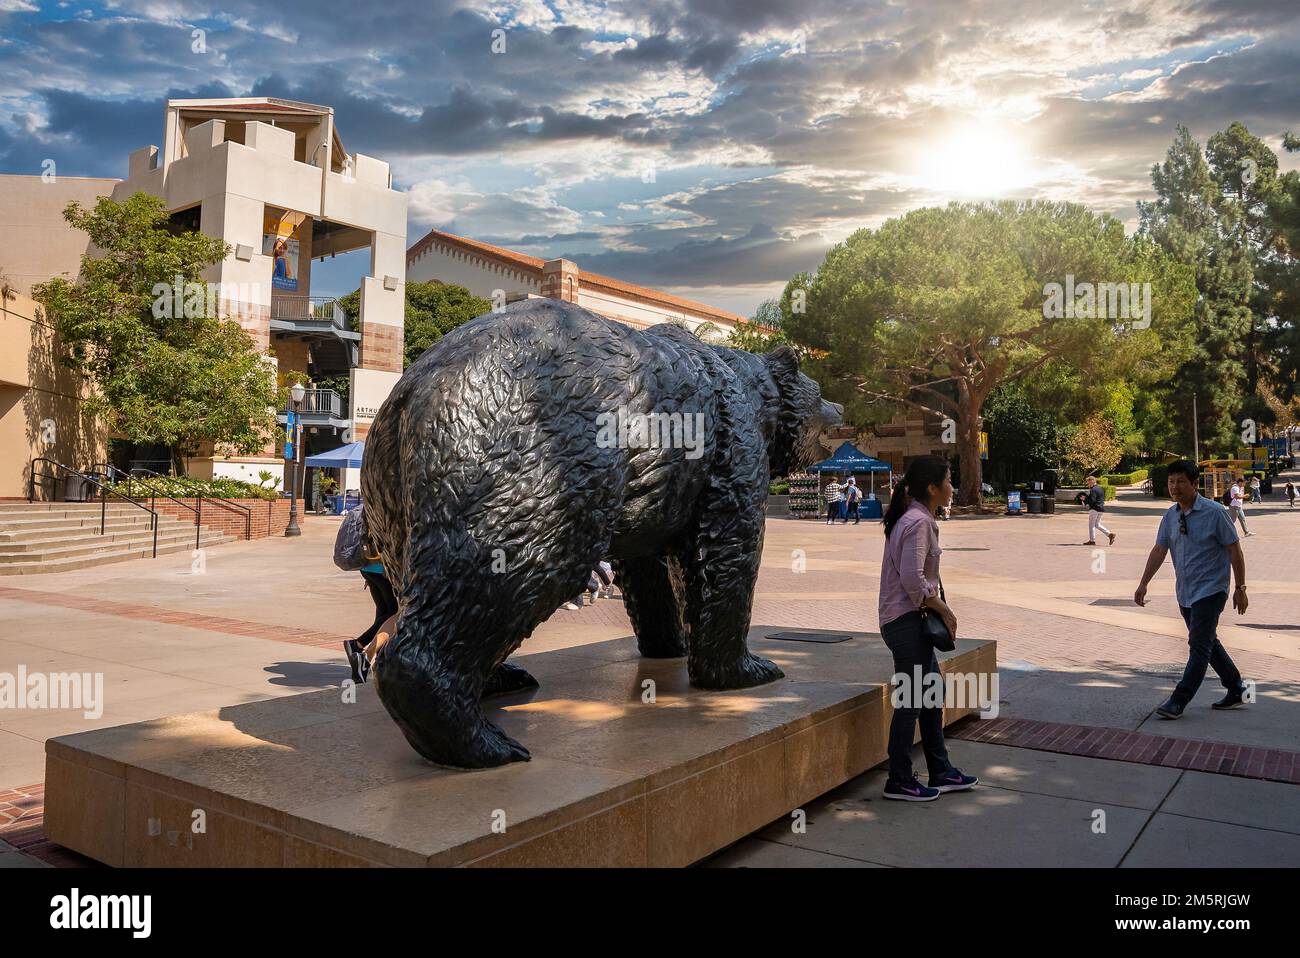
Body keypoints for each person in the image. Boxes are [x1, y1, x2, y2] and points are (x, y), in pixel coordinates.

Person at [877, 455, 978, 802]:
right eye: (949, 481)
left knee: (931, 696)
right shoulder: (918, 522)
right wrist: (944, 610)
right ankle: (899, 778)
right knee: (912, 700)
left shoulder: (916, 518)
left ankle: (940, 770)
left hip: (907, 621)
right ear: (933, 488)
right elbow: (912, 580)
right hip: (906, 623)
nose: (953, 488)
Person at [1134, 460, 1249, 719]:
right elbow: (1159, 550)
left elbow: (1234, 549)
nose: (1175, 487)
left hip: (1211, 590)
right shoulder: (1170, 516)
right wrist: (1143, 583)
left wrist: (1240, 587)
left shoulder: (1215, 512)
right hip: (1186, 591)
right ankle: (1236, 688)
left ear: (1194, 484)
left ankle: (1178, 700)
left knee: (1198, 646)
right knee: (1209, 643)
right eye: (1171, 481)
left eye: (1181, 482)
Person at [343, 542, 398, 684]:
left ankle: (376, 660)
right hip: (382, 569)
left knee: (383, 613)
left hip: (367, 565)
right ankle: (359, 646)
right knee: (394, 614)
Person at [1081, 475, 1115, 546]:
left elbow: (1092, 500)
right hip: (1101, 509)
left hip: (1094, 509)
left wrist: (1085, 499)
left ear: (1093, 481)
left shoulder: (1093, 489)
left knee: (1091, 525)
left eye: (1089, 482)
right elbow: (1099, 498)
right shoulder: (1100, 488)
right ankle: (1110, 534)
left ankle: (1092, 540)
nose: (1088, 484)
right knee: (1097, 524)